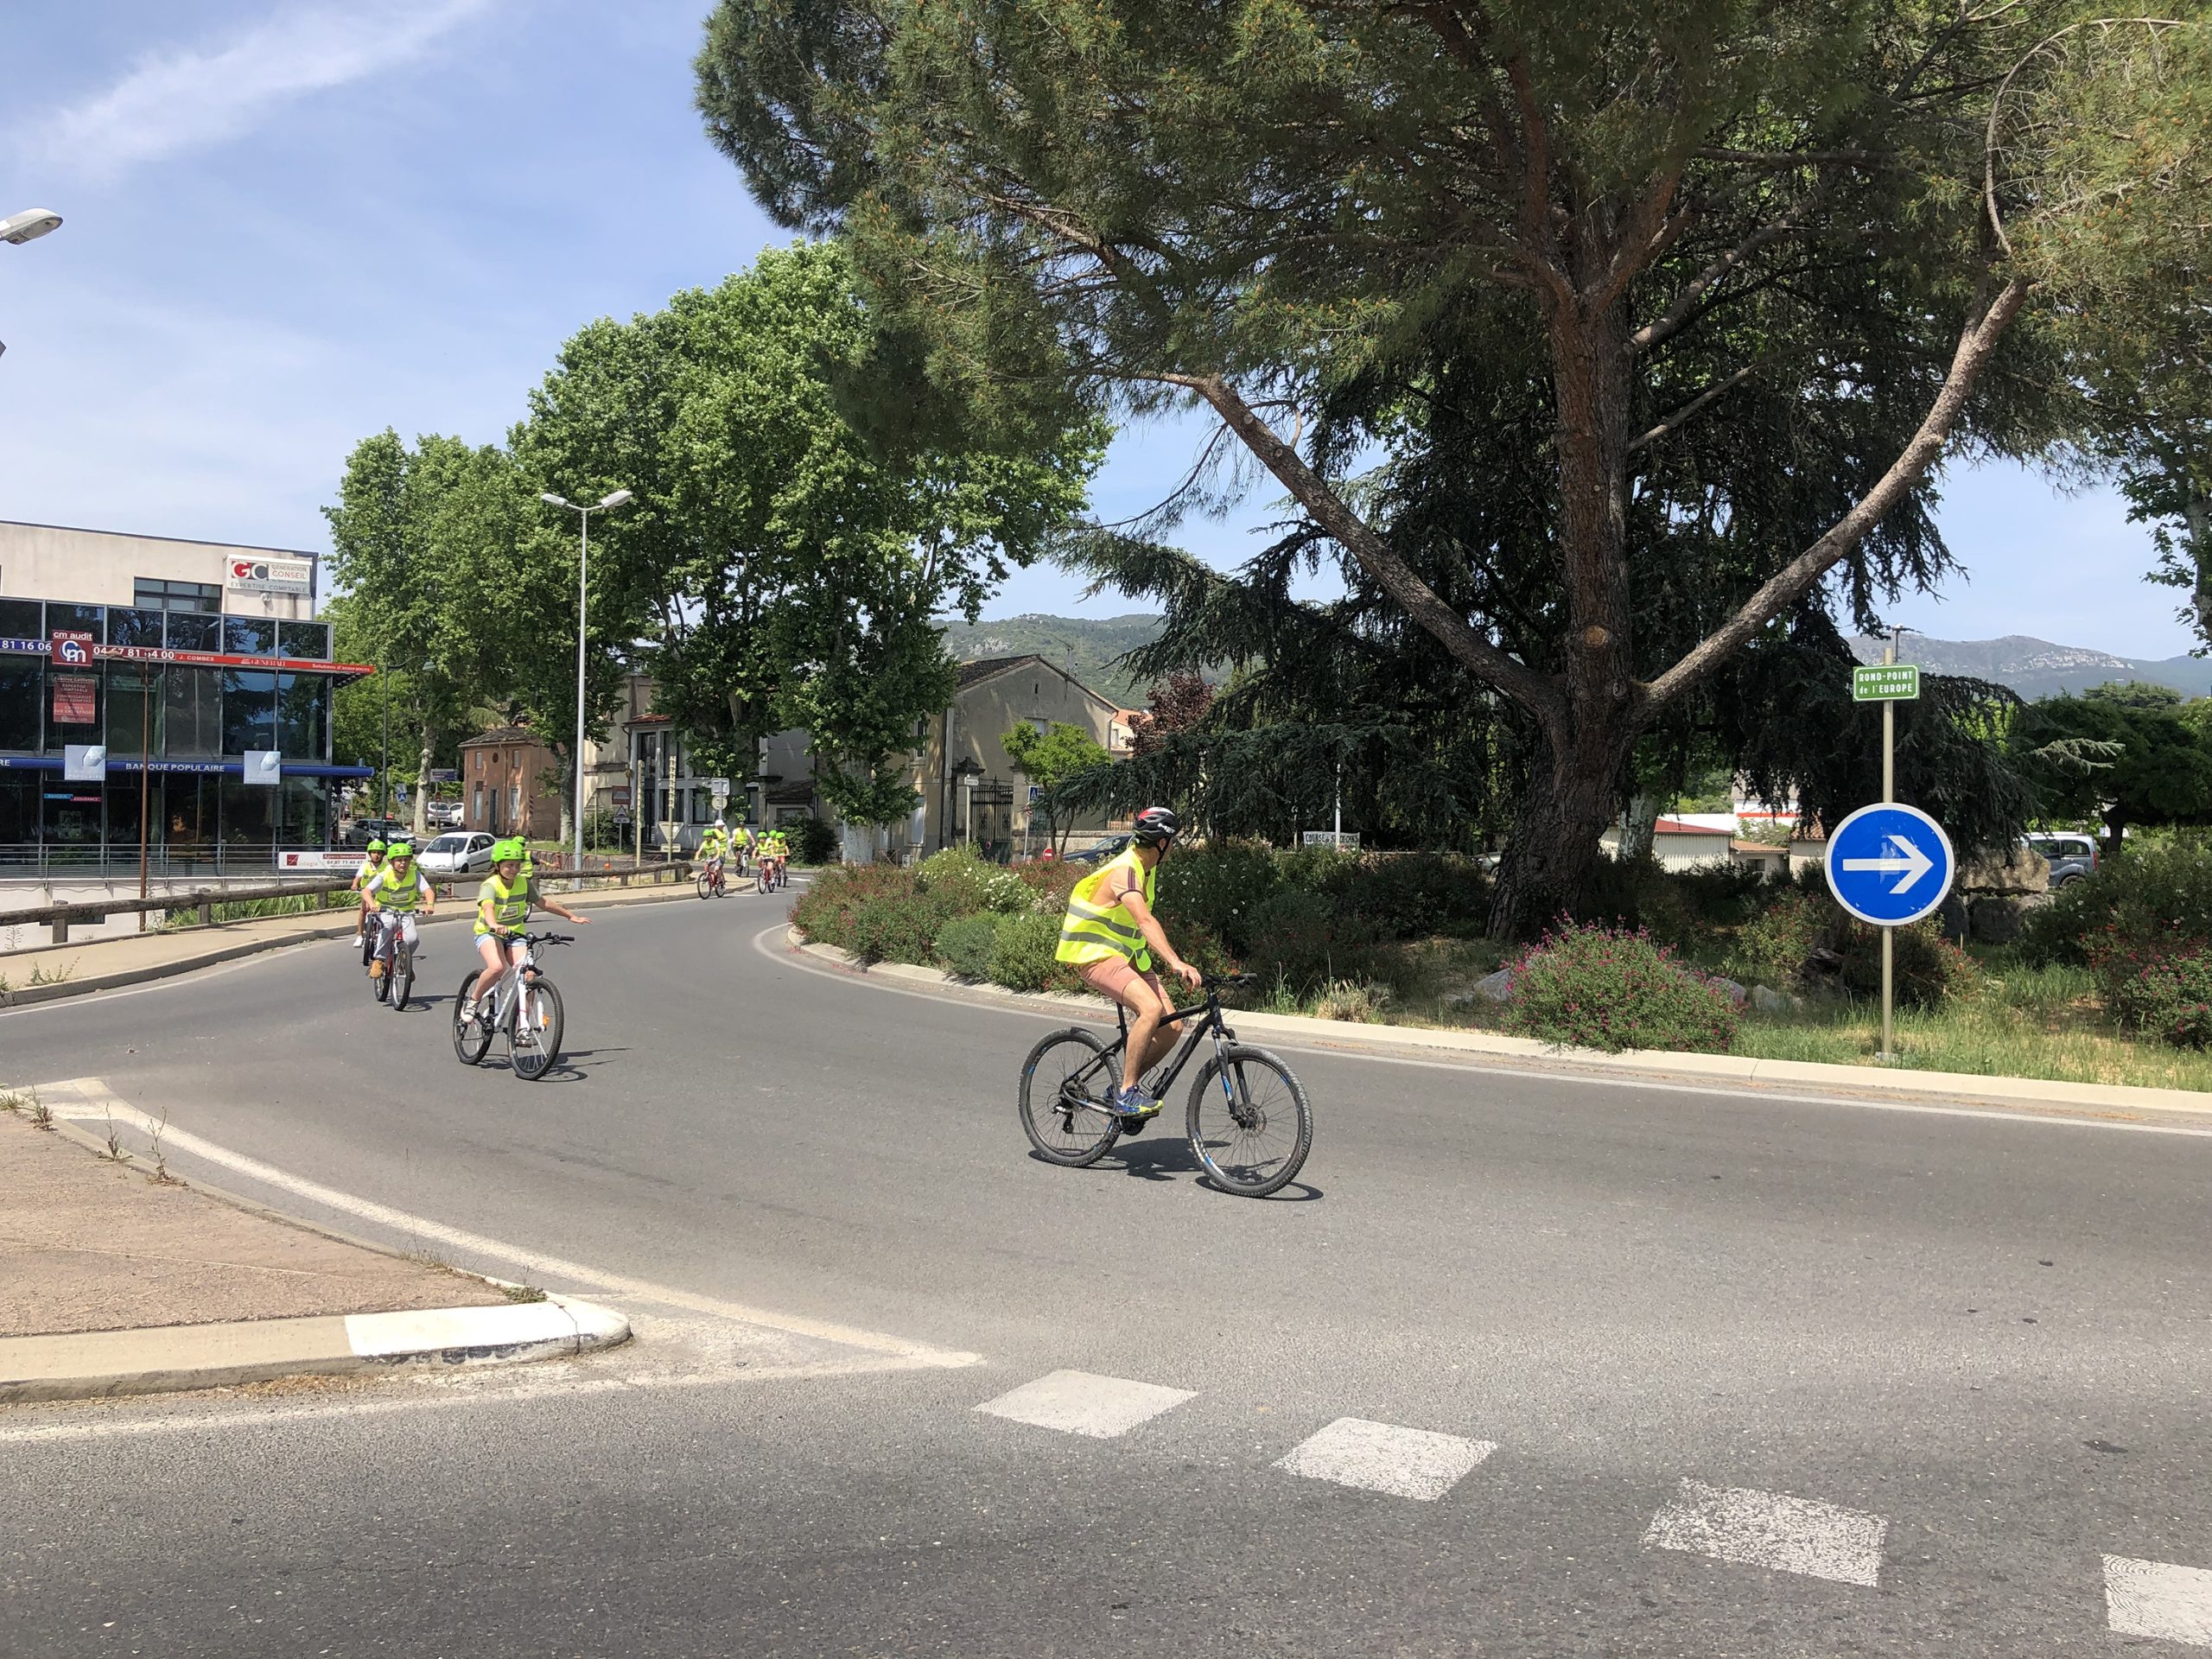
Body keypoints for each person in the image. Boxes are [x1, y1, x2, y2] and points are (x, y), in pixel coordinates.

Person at [1052, 807, 1203, 1120]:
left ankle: (1122, 1083)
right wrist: (1176, 962)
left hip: (1129, 957)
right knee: (1150, 1009)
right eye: (1171, 841)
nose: (1173, 847)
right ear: (1161, 843)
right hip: (1095, 954)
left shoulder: (1148, 869)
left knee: (1173, 1026)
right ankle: (1126, 1094)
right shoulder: (1126, 870)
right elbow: (1144, 919)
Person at [462, 838, 589, 1024]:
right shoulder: (490, 885)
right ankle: (473, 1001)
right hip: (488, 933)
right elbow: (488, 908)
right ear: (497, 865)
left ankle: (523, 1025)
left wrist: (570, 916)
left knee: (529, 975)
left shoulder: (523, 883)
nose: (514, 869)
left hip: (515, 935)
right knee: (497, 967)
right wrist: (494, 924)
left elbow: (543, 902)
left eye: (517, 865)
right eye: (509, 865)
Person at [364, 841, 435, 980]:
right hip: (386, 910)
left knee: (413, 939)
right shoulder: (384, 875)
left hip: (407, 912)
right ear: (391, 862)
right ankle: (379, 960)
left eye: (407, 860)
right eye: (399, 860)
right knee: (388, 927)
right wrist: (372, 904)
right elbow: (367, 891)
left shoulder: (415, 875)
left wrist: (430, 905)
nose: (403, 863)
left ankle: (403, 961)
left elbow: (428, 891)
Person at [351, 838, 387, 971]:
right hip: (367, 893)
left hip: (381, 894)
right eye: (374, 852)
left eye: (379, 853)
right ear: (370, 854)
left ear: (383, 854)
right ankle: (360, 935)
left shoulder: (386, 867)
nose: (376, 855)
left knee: (382, 913)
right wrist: (355, 885)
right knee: (363, 910)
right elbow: (358, 878)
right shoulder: (365, 866)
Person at [698, 819, 728, 889]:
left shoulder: (722, 831)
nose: (723, 826)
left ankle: (720, 880)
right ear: (718, 826)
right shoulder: (714, 832)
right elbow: (712, 840)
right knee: (717, 868)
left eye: (723, 825)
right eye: (722, 825)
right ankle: (714, 879)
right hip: (715, 852)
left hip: (721, 852)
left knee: (719, 868)